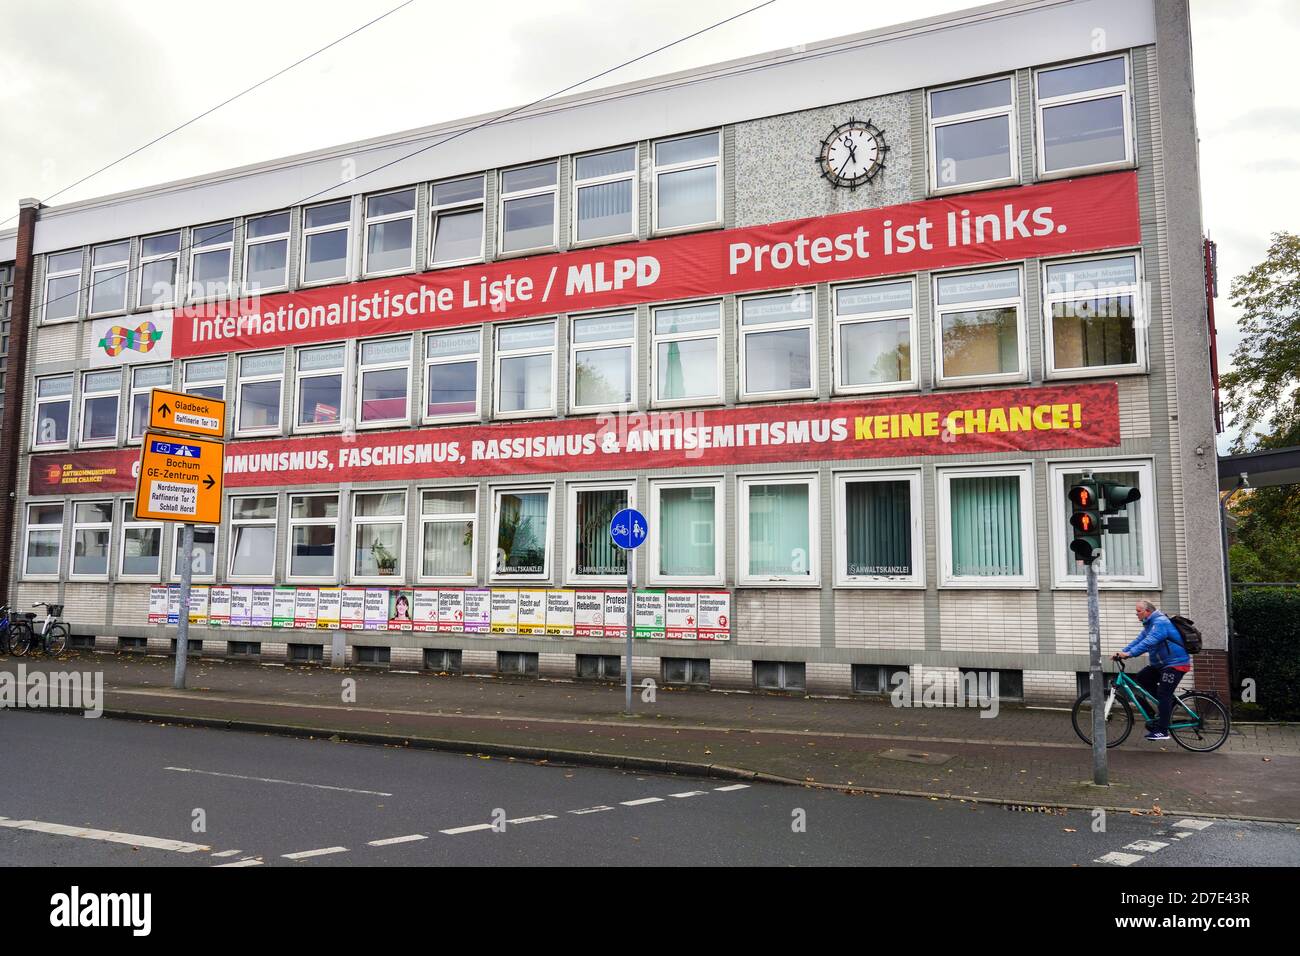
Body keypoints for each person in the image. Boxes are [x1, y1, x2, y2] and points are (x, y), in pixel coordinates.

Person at [1112, 600, 1191, 741]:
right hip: (1161, 665)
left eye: (1138, 611)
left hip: (1175, 664)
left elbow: (1150, 641)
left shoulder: (1160, 622)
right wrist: (1122, 652)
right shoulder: (1149, 625)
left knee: (1164, 694)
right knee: (1142, 678)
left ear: (1147, 611)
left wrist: (1130, 654)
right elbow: (1138, 640)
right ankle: (1156, 712)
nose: (1136, 614)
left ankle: (1162, 730)